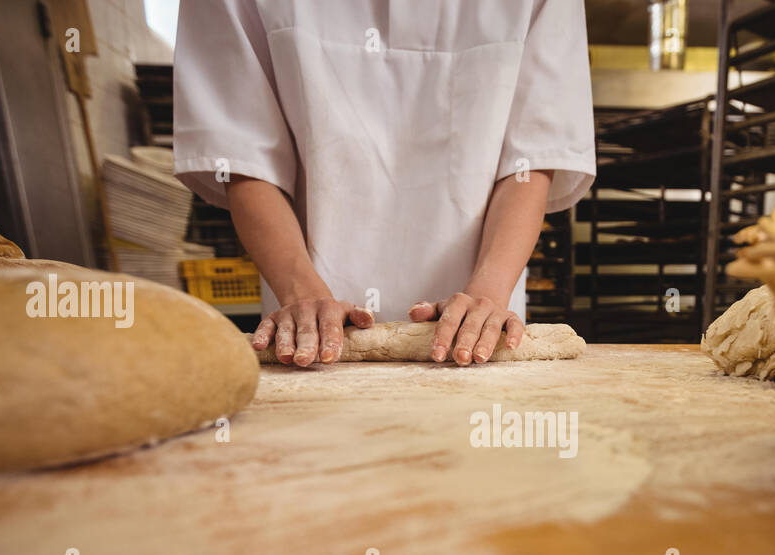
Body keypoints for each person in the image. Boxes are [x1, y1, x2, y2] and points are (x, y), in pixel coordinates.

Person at [173, 0, 595, 366]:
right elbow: (243, 154)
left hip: (482, 317)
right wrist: (301, 292)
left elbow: (531, 157)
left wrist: (487, 290)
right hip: (306, 324)